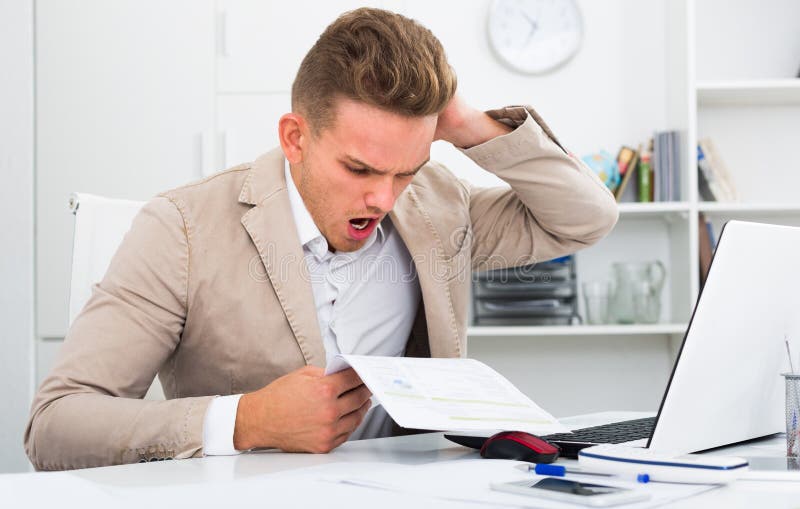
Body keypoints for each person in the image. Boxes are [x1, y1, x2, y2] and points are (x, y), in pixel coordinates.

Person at [25, 7, 618, 470]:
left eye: (405, 171)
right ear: (295, 138)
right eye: (359, 169)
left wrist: (470, 126)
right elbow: (55, 426)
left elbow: (585, 218)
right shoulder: (180, 228)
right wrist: (245, 421)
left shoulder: (438, 204)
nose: (383, 199)